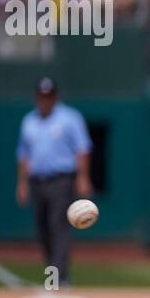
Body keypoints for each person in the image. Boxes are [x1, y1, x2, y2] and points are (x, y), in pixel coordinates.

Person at [15, 77, 92, 286]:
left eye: (48, 95)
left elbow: (82, 148)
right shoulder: (29, 121)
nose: (45, 99)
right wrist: (22, 183)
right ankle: (54, 275)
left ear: (55, 96)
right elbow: (23, 155)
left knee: (58, 226)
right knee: (43, 230)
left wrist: (83, 177)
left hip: (61, 180)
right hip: (37, 181)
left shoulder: (69, 118)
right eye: (41, 95)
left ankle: (60, 278)